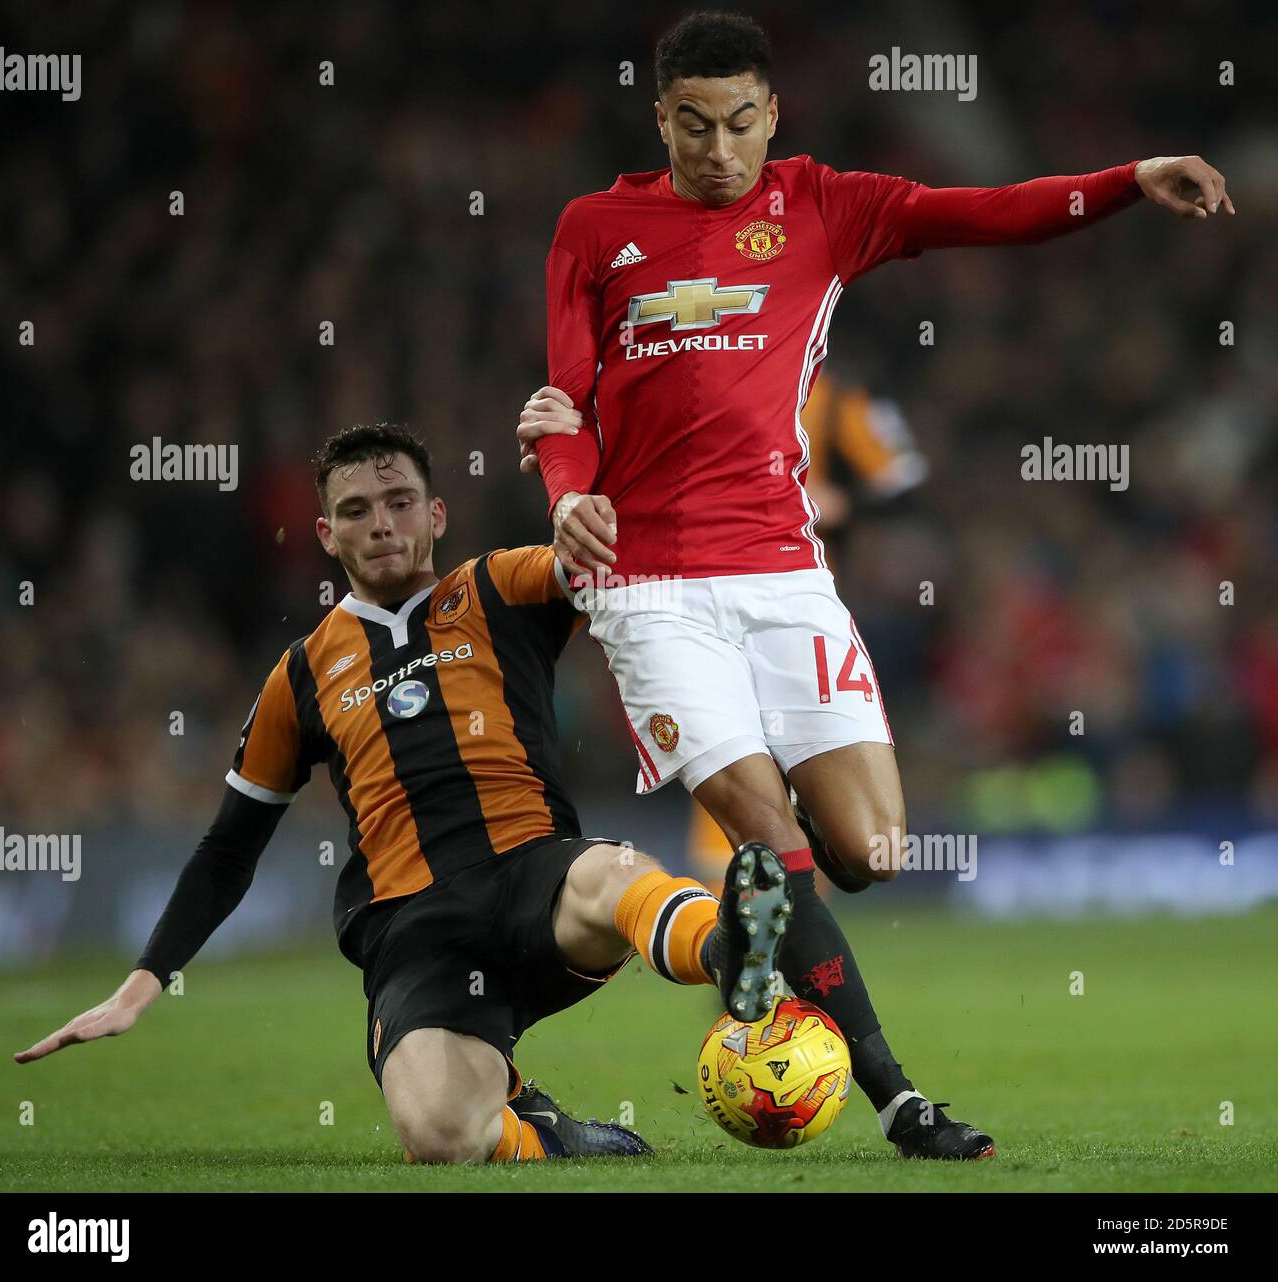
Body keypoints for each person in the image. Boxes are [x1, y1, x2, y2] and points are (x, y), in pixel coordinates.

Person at [516, 10, 1232, 1158]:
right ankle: (898, 1096)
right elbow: (561, 403)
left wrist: (1127, 179)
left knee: (866, 854)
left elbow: (987, 215)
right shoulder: (595, 228)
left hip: (787, 575)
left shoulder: (822, 205)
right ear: (661, 119)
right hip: (647, 585)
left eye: (739, 123)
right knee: (760, 833)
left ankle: (785, 917)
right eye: (692, 125)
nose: (716, 148)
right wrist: (566, 497)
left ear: (771, 118)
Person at [14, 423, 795, 1165]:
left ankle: (726, 951)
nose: (381, 524)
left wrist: (578, 451)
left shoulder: (498, 587)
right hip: (414, 928)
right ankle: (552, 1133)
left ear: (436, 514)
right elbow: (229, 847)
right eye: (355, 510)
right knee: (440, 1138)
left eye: (399, 504)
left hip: (536, 880)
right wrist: (141, 984)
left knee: (613, 872)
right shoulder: (302, 673)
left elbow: (600, 548)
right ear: (327, 534)